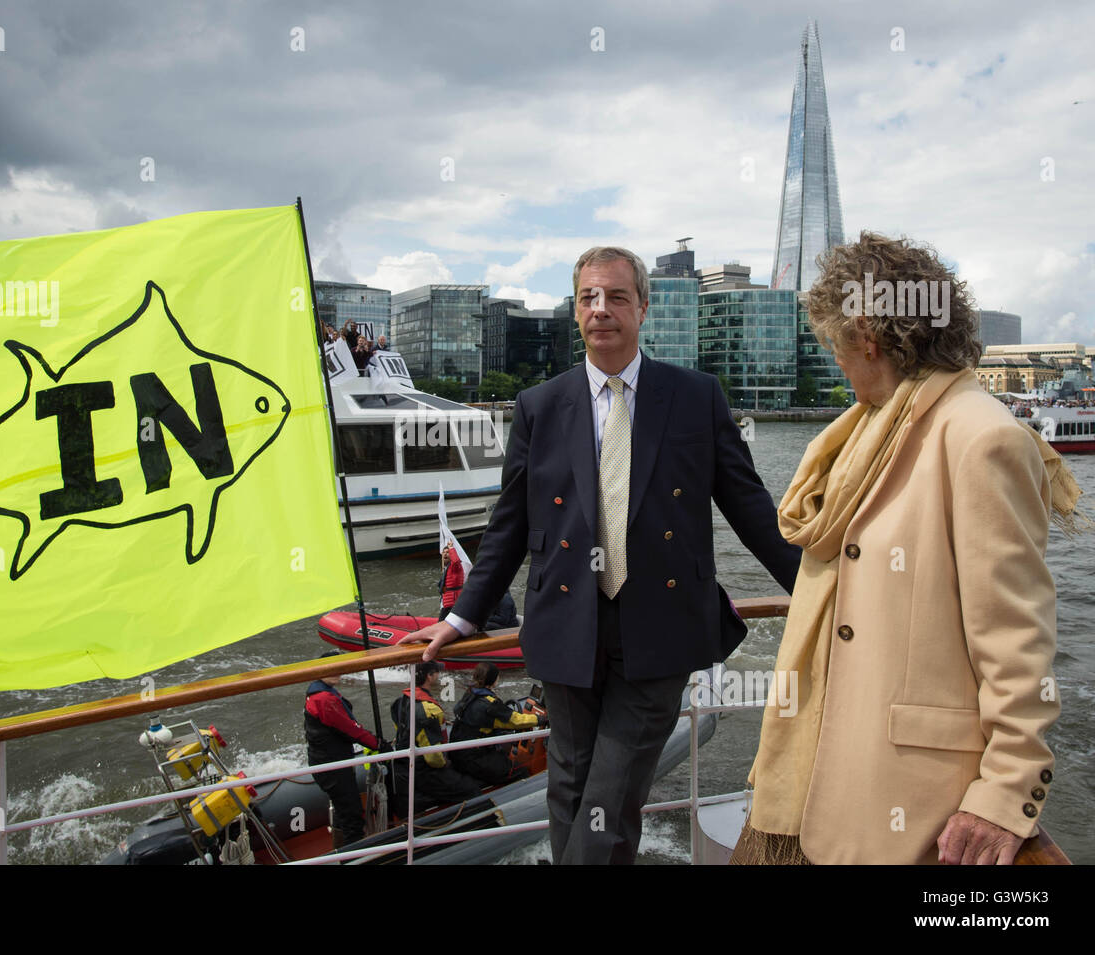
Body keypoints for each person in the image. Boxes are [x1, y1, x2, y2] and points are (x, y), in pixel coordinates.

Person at [400, 246, 800, 864]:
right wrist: (462, 617)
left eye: (616, 297)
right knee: (569, 791)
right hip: (566, 626)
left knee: (607, 799)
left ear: (643, 307)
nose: (601, 310)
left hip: (661, 628)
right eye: (588, 297)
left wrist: (812, 587)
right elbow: (510, 525)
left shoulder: (695, 397)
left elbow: (749, 509)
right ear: (576, 312)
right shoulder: (539, 406)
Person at [731, 232, 1080, 865]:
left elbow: (1016, 641)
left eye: (833, 341)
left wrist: (1006, 794)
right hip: (834, 771)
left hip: (913, 796)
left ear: (864, 336)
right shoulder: (871, 426)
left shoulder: (981, 438)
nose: (834, 358)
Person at [303, 651, 389, 849]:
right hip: (332, 767)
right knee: (351, 815)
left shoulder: (318, 693)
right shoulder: (324, 699)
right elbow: (350, 729)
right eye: (330, 668)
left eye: (339, 667)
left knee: (344, 812)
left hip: (328, 763)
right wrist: (378, 744)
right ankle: (353, 855)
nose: (337, 672)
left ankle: (342, 847)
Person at [390, 661, 481, 811]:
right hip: (425, 770)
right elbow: (433, 756)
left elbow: (400, 729)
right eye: (436, 672)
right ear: (429, 676)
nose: (439, 675)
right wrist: (445, 764)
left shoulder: (401, 701)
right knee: (471, 789)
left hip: (406, 764)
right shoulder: (427, 710)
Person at [450, 662, 541, 786]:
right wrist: (540, 719)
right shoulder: (490, 704)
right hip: (472, 757)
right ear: (493, 679)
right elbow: (516, 720)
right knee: (521, 771)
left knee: (504, 751)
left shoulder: (470, 693)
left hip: (458, 752)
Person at [436, 543, 465, 621]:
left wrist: (451, 548)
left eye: (447, 552)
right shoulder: (447, 568)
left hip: (453, 603)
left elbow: (456, 561)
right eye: (444, 552)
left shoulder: (455, 567)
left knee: (441, 624)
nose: (445, 554)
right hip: (448, 603)